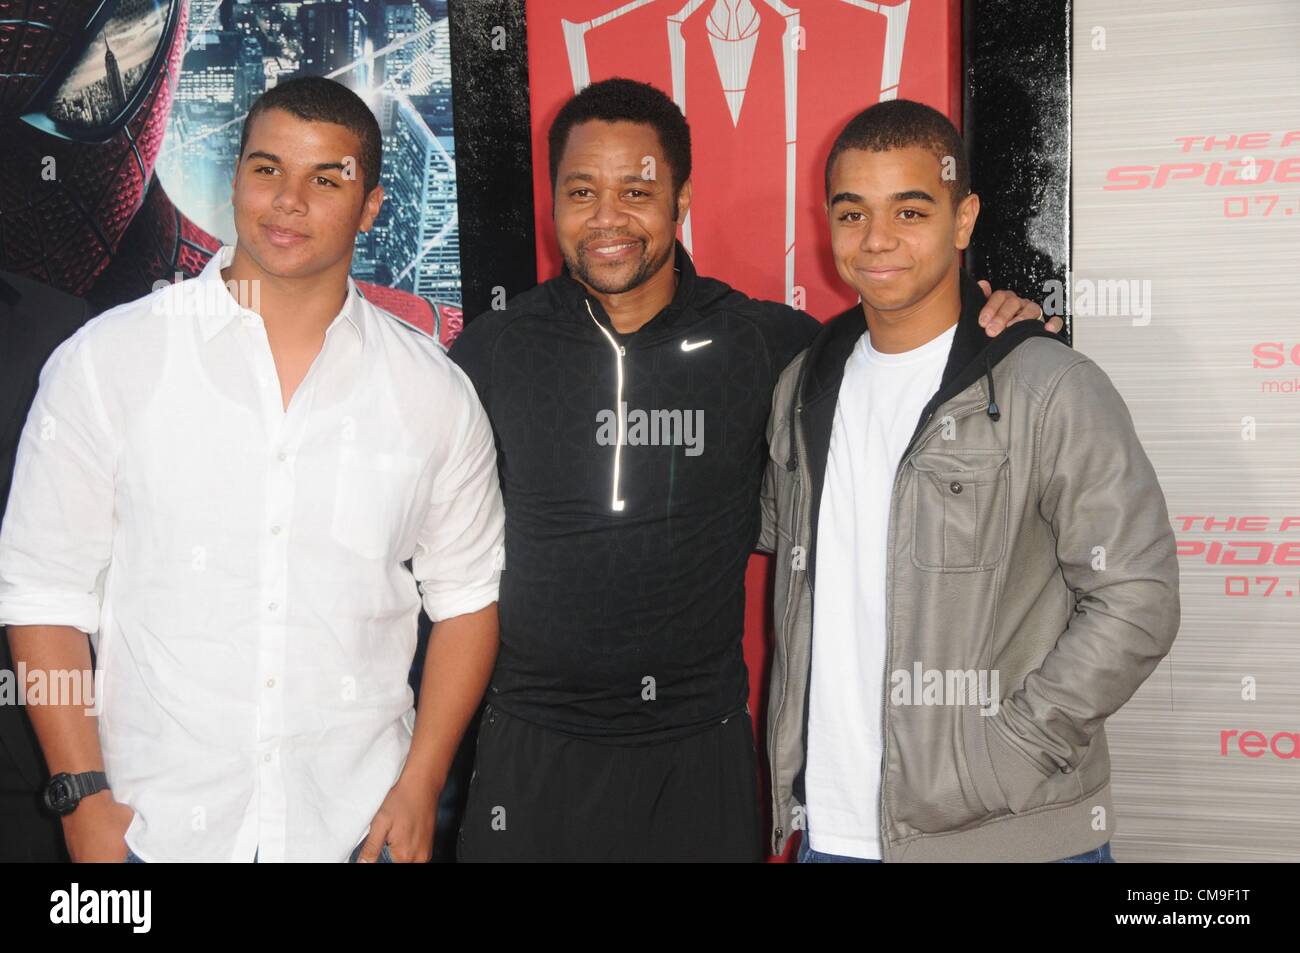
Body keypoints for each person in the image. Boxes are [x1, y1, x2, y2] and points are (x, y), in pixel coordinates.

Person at [450, 78, 1056, 862]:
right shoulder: (491, 352)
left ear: (682, 199)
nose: (607, 218)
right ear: (553, 200)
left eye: (637, 190)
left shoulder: (777, 347)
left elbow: (907, 349)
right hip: (528, 747)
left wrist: (993, 322)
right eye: (581, 191)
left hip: (699, 752)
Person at [0, 77, 504, 862]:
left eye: (325, 178)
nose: (288, 201)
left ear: (370, 205)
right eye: (267, 169)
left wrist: (422, 779)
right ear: (235, 177)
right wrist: (80, 799)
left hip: (356, 831)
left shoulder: (432, 392)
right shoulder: (107, 363)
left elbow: (469, 598)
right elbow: (42, 593)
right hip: (148, 833)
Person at [760, 99, 1180, 863]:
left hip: (1007, 838)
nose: (877, 239)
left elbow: (1138, 595)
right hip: (831, 835)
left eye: (910, 211)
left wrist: (1014, 748)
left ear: (963, 220)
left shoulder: (1047, 385)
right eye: (852, 214)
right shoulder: (803, 385)